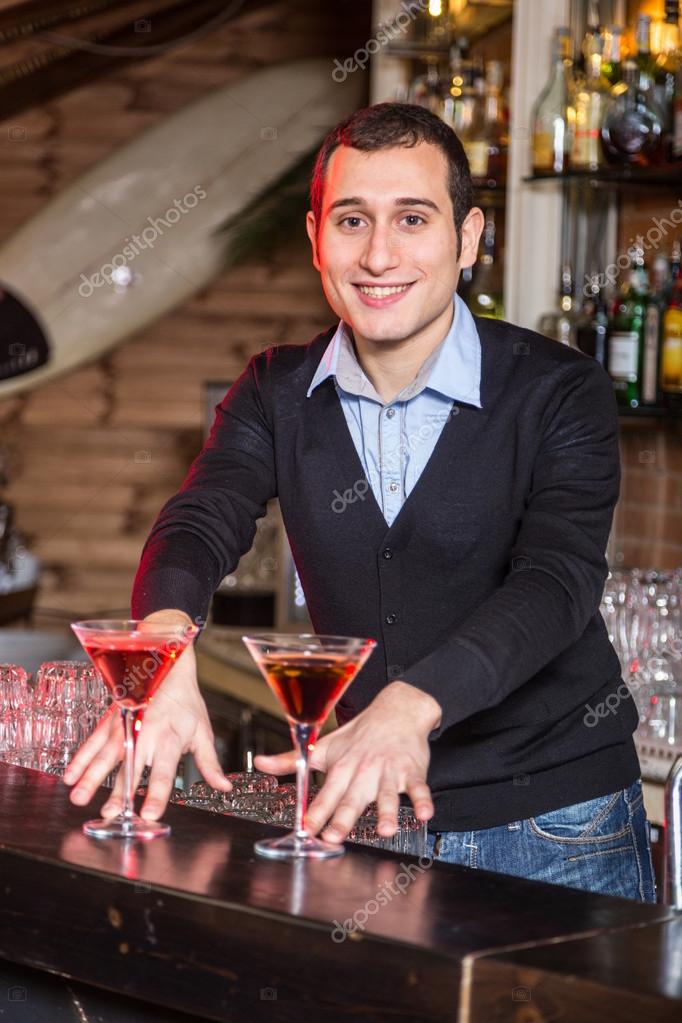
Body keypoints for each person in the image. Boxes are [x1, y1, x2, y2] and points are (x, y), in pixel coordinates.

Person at [64, 102, 655, 902]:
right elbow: (200, 520)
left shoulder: (556, 389)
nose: (379, 255)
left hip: (557, 823)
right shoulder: (275, 390)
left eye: (413, 218)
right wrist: (162, 652)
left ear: (468, 238)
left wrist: (410, 705)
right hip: (372, 809)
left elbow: (556, 581)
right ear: (317, 238)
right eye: (352, 221)